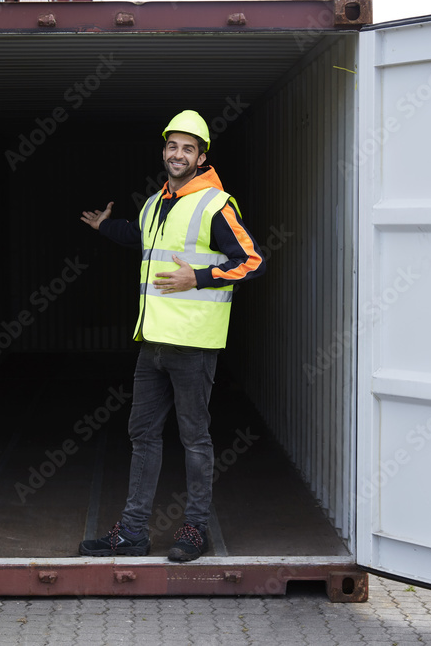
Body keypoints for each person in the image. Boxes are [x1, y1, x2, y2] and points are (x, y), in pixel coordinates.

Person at [77, 110, 265, 561]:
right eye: (172, 146)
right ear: (164, 151)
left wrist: (197, 278)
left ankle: (195, 530)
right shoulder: (154, 202)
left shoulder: (216, 203)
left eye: (188, 148)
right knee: (142, 435)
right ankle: (134, 533)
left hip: (193, 345)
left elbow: (251, 260)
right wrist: (106, 227)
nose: (178, 154)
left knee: (194, 439)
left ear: (202, 157)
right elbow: (145, 240)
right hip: (154, 344)